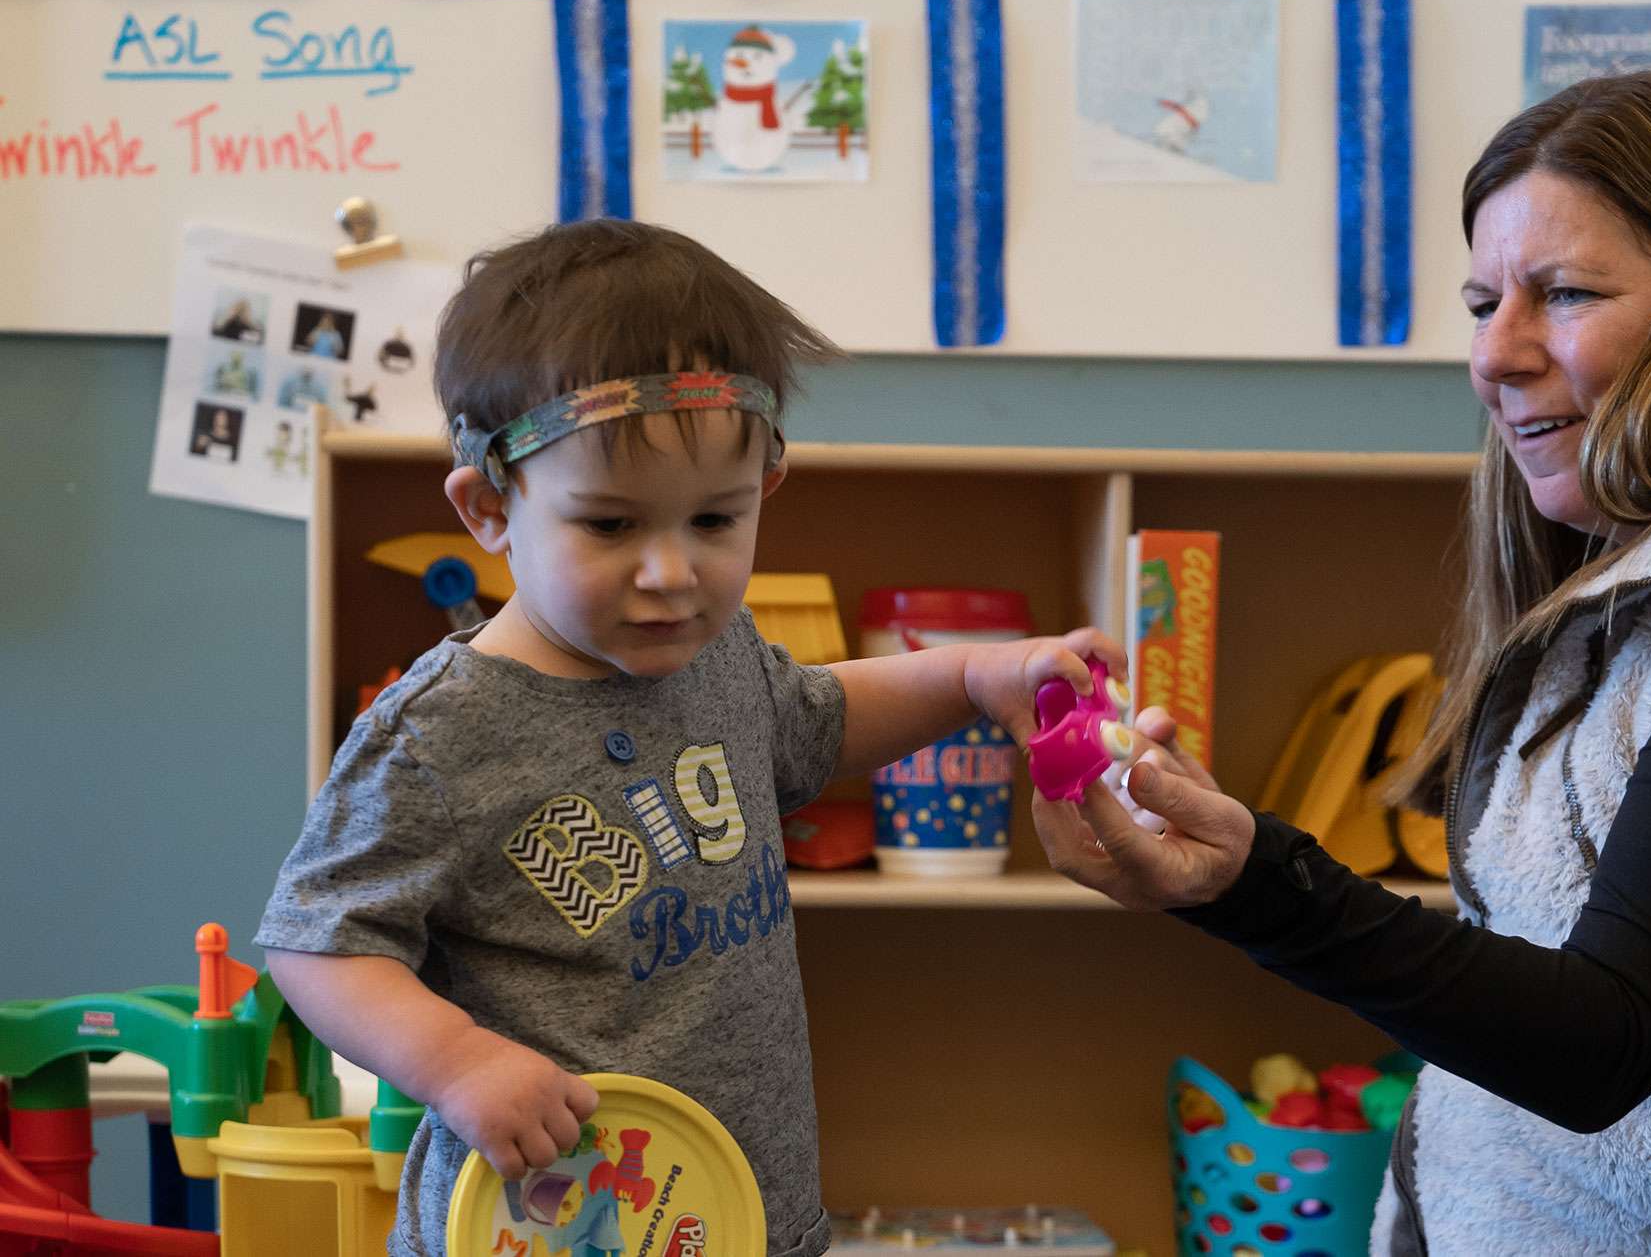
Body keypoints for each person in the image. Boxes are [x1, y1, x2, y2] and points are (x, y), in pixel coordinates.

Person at [1033, 67, 1651, 1255]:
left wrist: (1253, 884)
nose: (1495, 354)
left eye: (1564, 293)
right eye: (1482, 301)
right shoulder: (1645, 583)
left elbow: (1603, 1037)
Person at [258, 219, 1120, 1257]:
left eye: (713, 521)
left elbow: (821, 718)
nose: (671, 573)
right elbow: (318, 944)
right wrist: (459, 1063)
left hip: (742, 1210)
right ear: (489, 509)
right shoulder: (439, 732)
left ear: (764, 490)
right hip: (551, 1227)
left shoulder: (712, 657)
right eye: (611, 526)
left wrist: (972, 676)